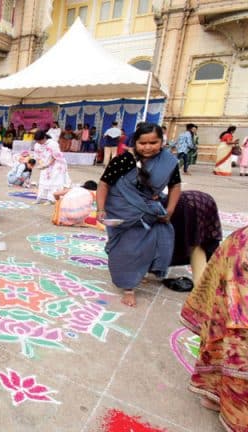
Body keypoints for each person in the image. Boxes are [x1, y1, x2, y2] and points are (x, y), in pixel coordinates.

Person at [96, 122, 181, 307]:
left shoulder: (168, 162)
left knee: (152, 241)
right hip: (122, 211)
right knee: (125, 249)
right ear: (136, 142)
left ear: (162, 142)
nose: (148, 147)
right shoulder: (123, 160)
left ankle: (142, 271)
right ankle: (128, 287)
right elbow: (104, 184)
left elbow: (175, 185)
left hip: (149, 211)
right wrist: (100, 209)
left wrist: (171, 209)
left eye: (154, 142)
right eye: (143, 143)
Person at [179, 227, 248, 431]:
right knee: (236, 338)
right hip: (239, 259)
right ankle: (224, 399)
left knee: (225, 328)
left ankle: (215, 394)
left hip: (236, 251)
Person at [169, 190, 222, 291]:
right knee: (197, 245)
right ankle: (202, 288)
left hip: (188, 205)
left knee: (194, 244)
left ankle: (201, 289)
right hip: (203, 200)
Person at [33, 130, 71, 204]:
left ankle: (51, 199)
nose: (39, 143)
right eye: (37, 141)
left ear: (44, 138)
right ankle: (40, 197)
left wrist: (47, 165)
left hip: (56, 164)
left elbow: (55, 156)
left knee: (53, 181)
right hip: (45, 164)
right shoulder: (37, 145)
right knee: (43, 180)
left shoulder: (52, 144)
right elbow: (38, 156)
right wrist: (41, 164)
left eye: (40, 141)